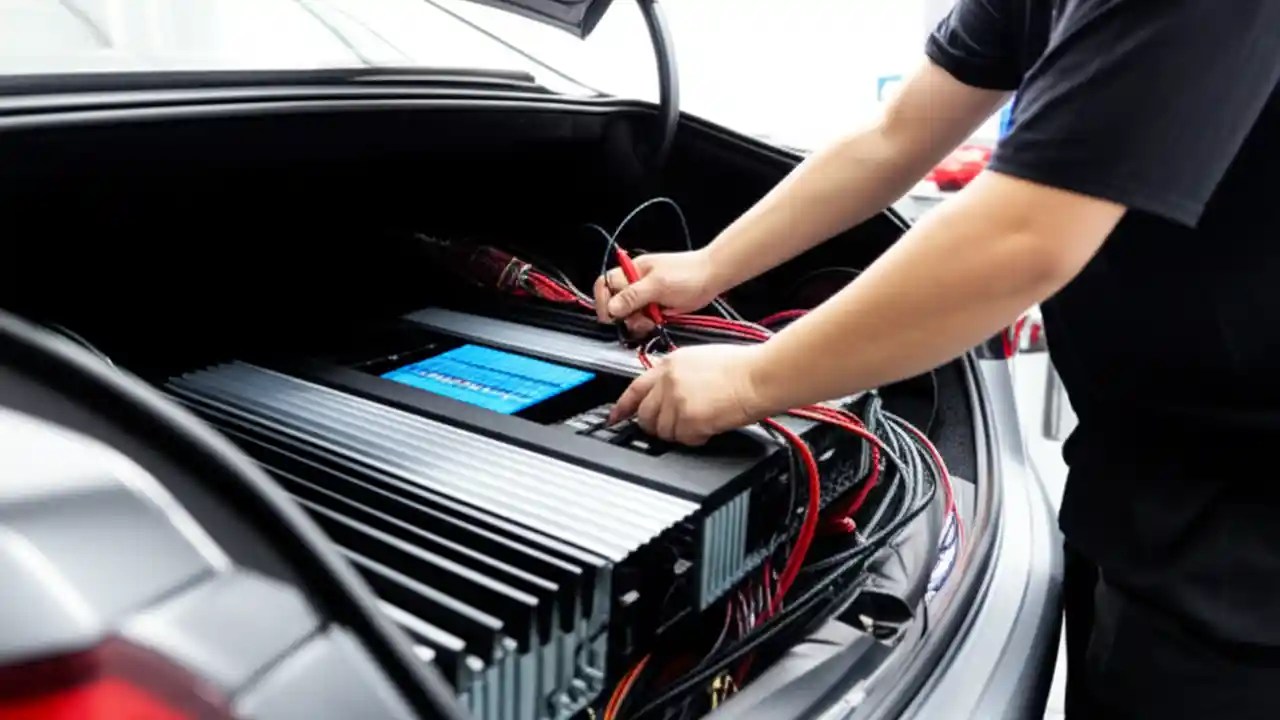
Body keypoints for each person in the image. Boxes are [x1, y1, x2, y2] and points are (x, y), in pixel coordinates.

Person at [593, 1, 1280, 717]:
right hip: (1135, 482)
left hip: (1246, 550)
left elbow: (1025, 235)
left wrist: (746, 382)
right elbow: (896, 134)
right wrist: (708, 267)